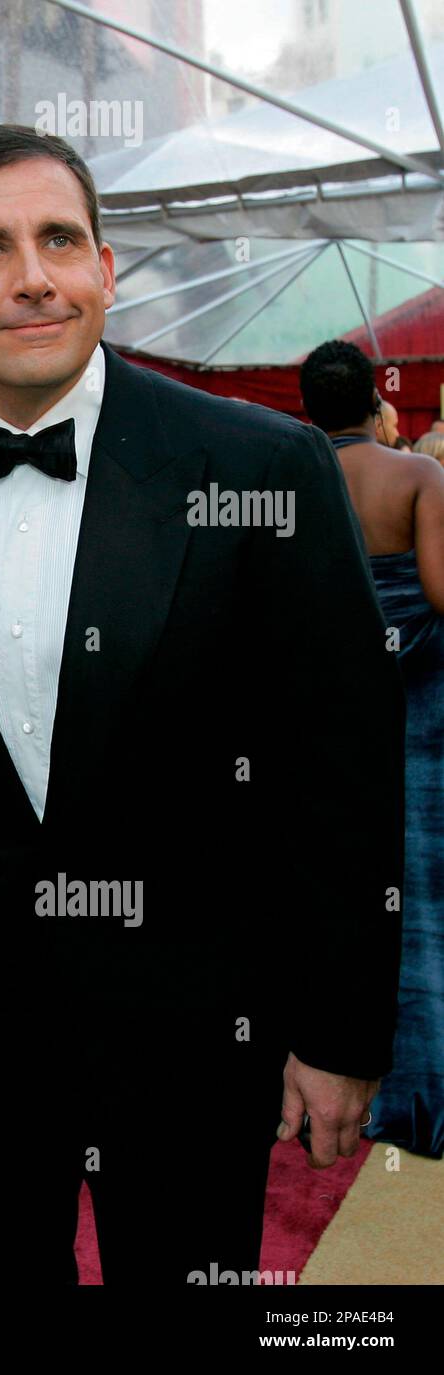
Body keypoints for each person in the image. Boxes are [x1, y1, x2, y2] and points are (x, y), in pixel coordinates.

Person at [0, 123, 404, 1284]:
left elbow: (343, 763)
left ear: (106, 267)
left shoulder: (261, 467)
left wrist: (338, 1030)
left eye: (60, 239)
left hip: (199, 1024)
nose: (35, 275)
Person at [300, 339, 444, 1160]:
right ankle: (420, 1083)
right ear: (377, 403)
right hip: (417, 712)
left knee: (332, 881)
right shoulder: (418, 477)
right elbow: (439, 594)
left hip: (320, 720)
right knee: (421, 890)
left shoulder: (293, 479)